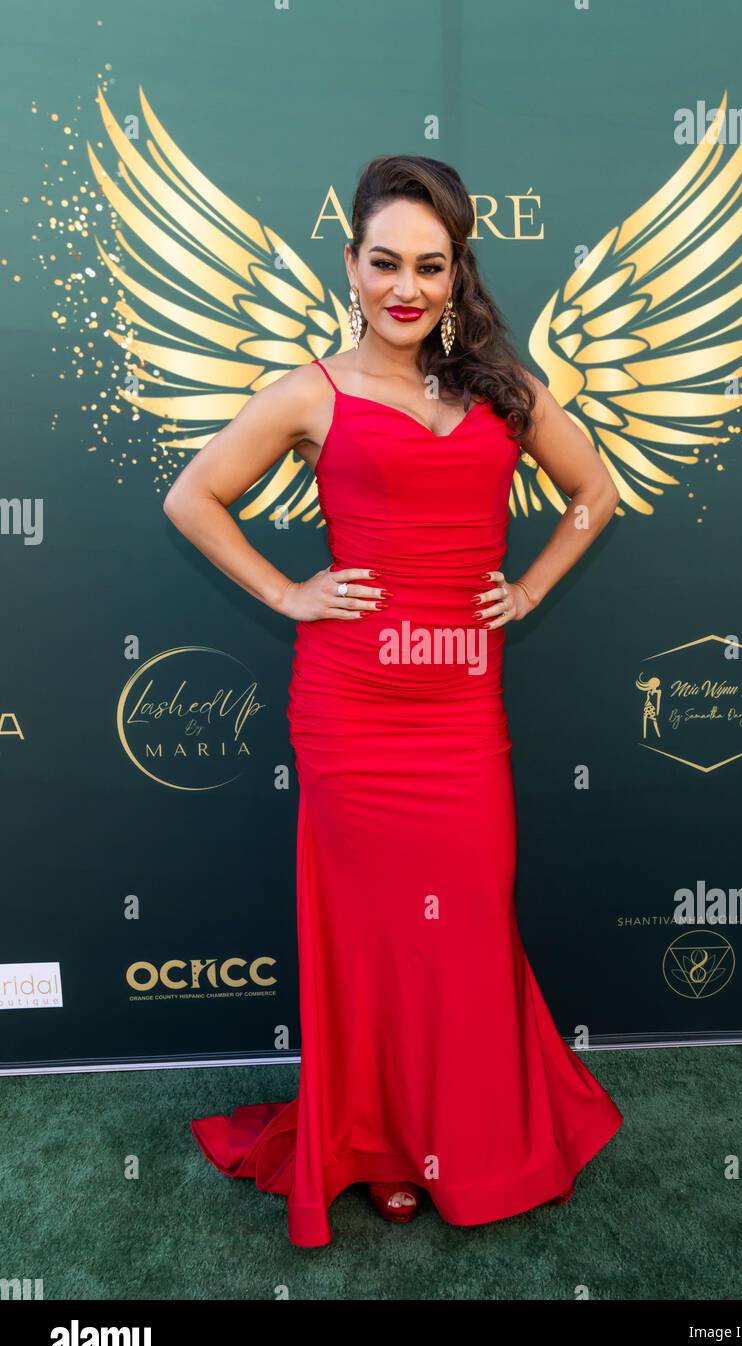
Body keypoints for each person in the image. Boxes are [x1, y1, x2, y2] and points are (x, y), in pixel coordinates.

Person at [164, 154, 624, 1247]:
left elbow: (596, 490)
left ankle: (453, 1140)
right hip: (350, 709)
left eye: (431, 265)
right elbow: (192, 495)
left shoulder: (503, 390)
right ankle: (376, 1146)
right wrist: (288, 591)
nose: (405, 288)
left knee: (459, 930)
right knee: (371, 940)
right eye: (385, 263)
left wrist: (532, 585)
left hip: (461, 714)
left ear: (458, 268)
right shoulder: (309, 393)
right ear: (352, 264)